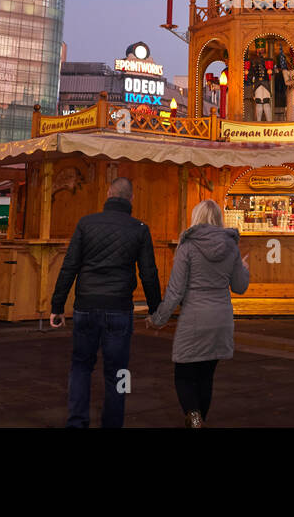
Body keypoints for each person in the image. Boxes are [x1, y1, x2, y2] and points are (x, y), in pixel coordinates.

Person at [49, 177, 162, 428]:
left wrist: (57, 306)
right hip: (119, 308)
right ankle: (113, 423)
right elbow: (149, 273)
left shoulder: (85, 224)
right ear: (131, 199)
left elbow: (69, 267)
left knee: (80, 366)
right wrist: (156, 311)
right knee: (118, 371)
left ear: (108, 193)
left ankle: (77, 422)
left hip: (86, 305)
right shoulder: (139, 229)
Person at [148, 200, 250, 427]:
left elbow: (175, 291)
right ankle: (199, 419)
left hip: (194, 318)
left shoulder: (187, 247)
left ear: (196, 218)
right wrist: (243, 268)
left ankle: (193, 416)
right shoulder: (231, 246)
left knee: (183, 373)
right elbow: (240, 287)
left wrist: (158, 319)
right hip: (221, 318)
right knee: (206, 376)